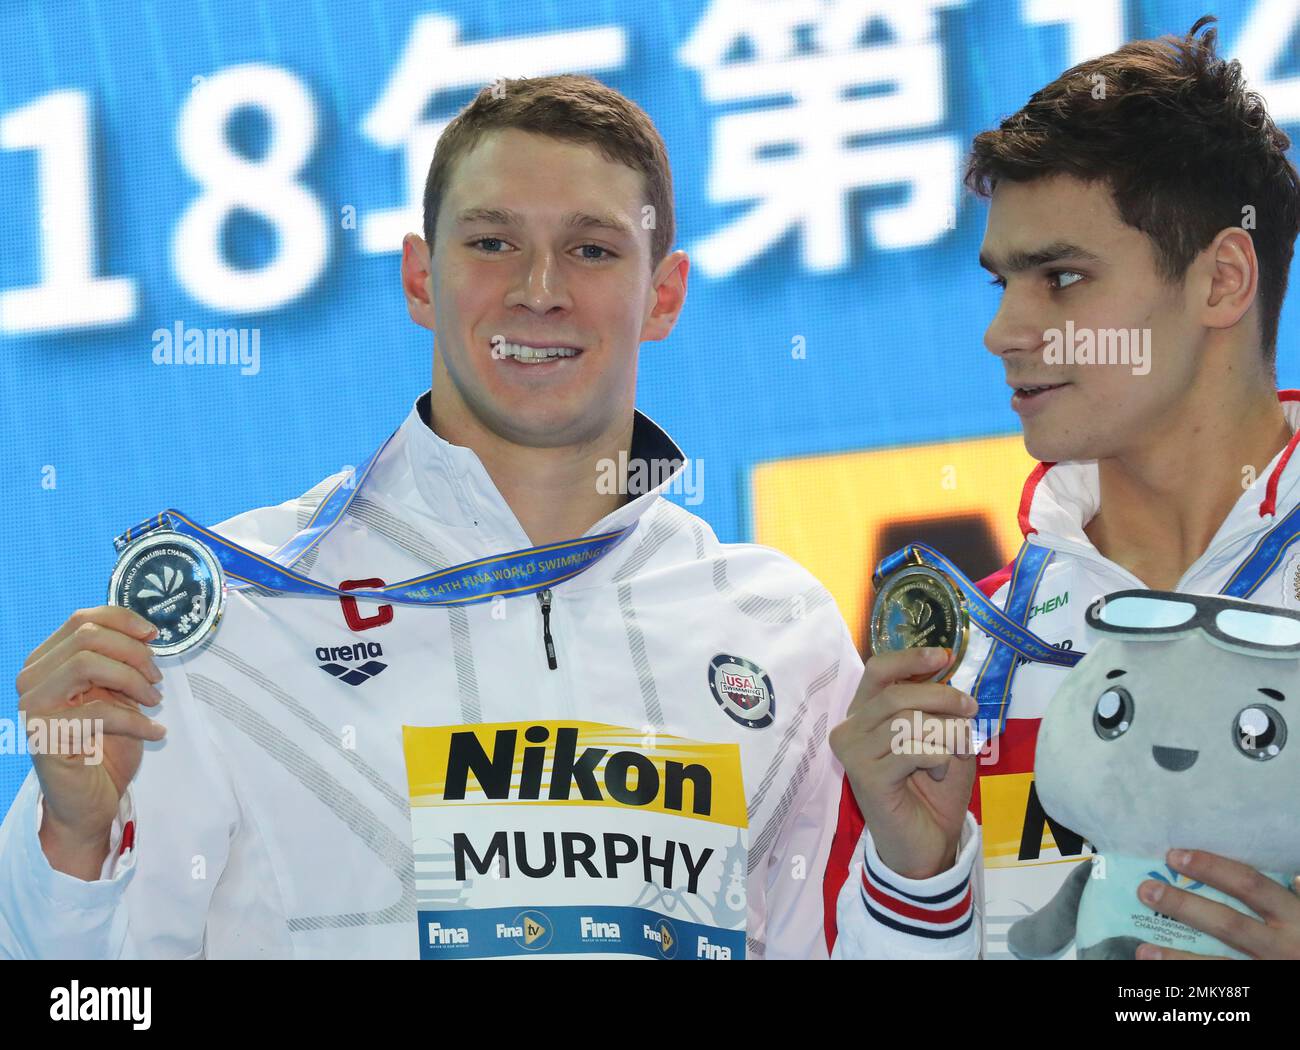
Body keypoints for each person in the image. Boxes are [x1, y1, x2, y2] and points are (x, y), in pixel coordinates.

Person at [0, 74, 874, 959]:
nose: (540, 290)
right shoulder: (232, 611)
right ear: (421, 277)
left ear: (664, 294)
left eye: (594, 250)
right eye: (493, 242)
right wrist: (72, 843)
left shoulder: (778, 630)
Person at [828, 16, 1300, 960]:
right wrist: (917, 885)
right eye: (1003, 282)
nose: (1004, 330)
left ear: (1222, 281)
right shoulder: (959, 664)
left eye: (1064, 277)